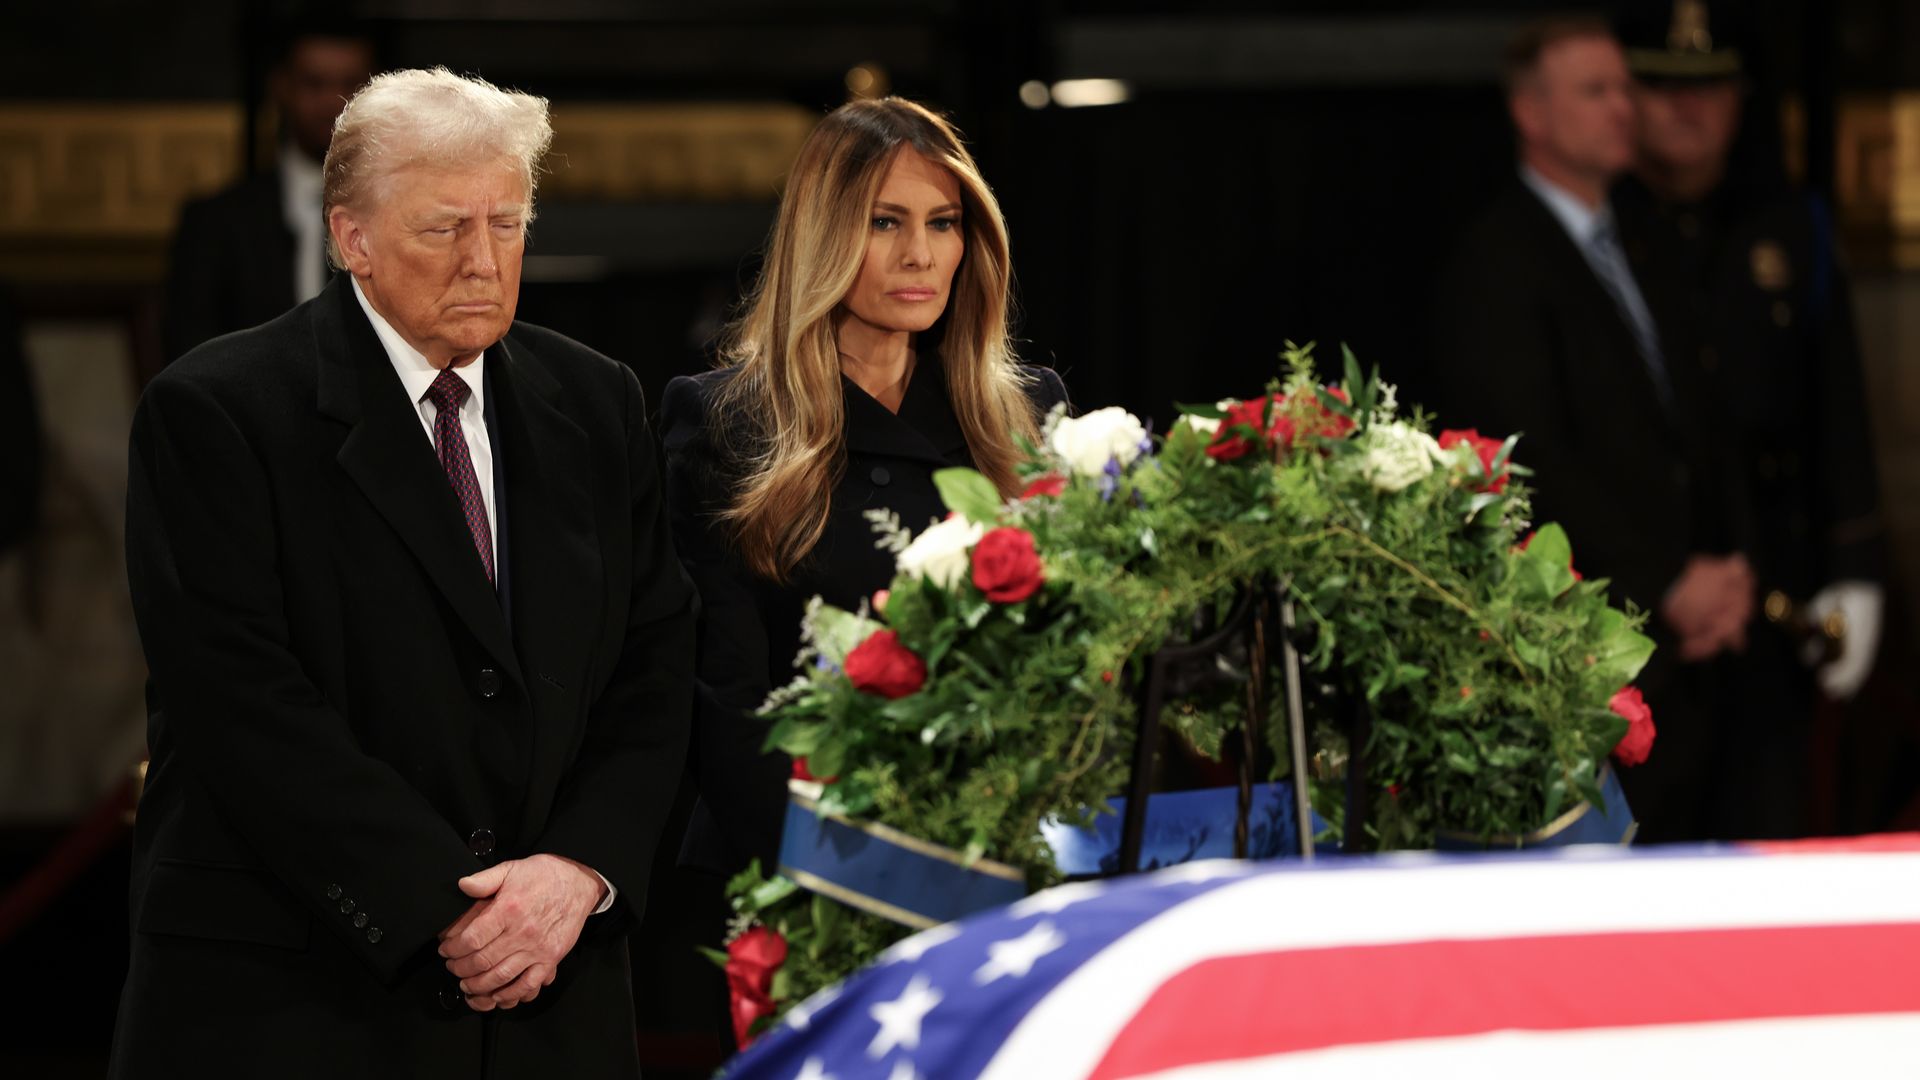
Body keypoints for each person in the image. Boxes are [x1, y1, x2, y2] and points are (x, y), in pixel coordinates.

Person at [113, 68, 695, 1077]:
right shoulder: (216, 412)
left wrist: (574, 873)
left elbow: (653, 663)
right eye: (443, 229)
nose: (483, 261)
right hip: (301, 1003)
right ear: (354, 240)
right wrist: (453, 910)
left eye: (507, 224)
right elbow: (245, 708)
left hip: (548, 1002)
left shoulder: (598, 403)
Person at [662, 97, 1071, 877]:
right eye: (886, 222)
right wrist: (877, 878)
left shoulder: (1031, 412)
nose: (920, 254)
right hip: (795, 873)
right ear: (824, 236)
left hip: (998, 864)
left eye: (943, 223)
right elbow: (726, 713)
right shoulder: (726, 423)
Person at [1428, 18, 1752, 842]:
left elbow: (1701, 423)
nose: (1624, 109)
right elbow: (1527, 454)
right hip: (1606, 643)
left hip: (1709, 653)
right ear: (1533, 115)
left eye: (1625, 89)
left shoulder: (1648, 242)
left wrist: (1727, 564)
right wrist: (1668, 581)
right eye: (1596, 90)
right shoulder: (1496, 257)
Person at [1615, 0, 1886, 836]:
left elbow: (1835, 397)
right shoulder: (1601, 225)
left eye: (1707, 86)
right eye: (1660, 86)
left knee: (1773, 820)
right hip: (1639, 599)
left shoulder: (1787, 222)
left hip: (1775, 580)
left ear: (1740, 97)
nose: (1686, 108)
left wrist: (1857, 561)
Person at [164, 20, 376, 360]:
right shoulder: (215, 222)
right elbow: (188, 355)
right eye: (314, 83)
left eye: (350, 84)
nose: (333, 102)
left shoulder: (399, 214)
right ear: (281, 86)